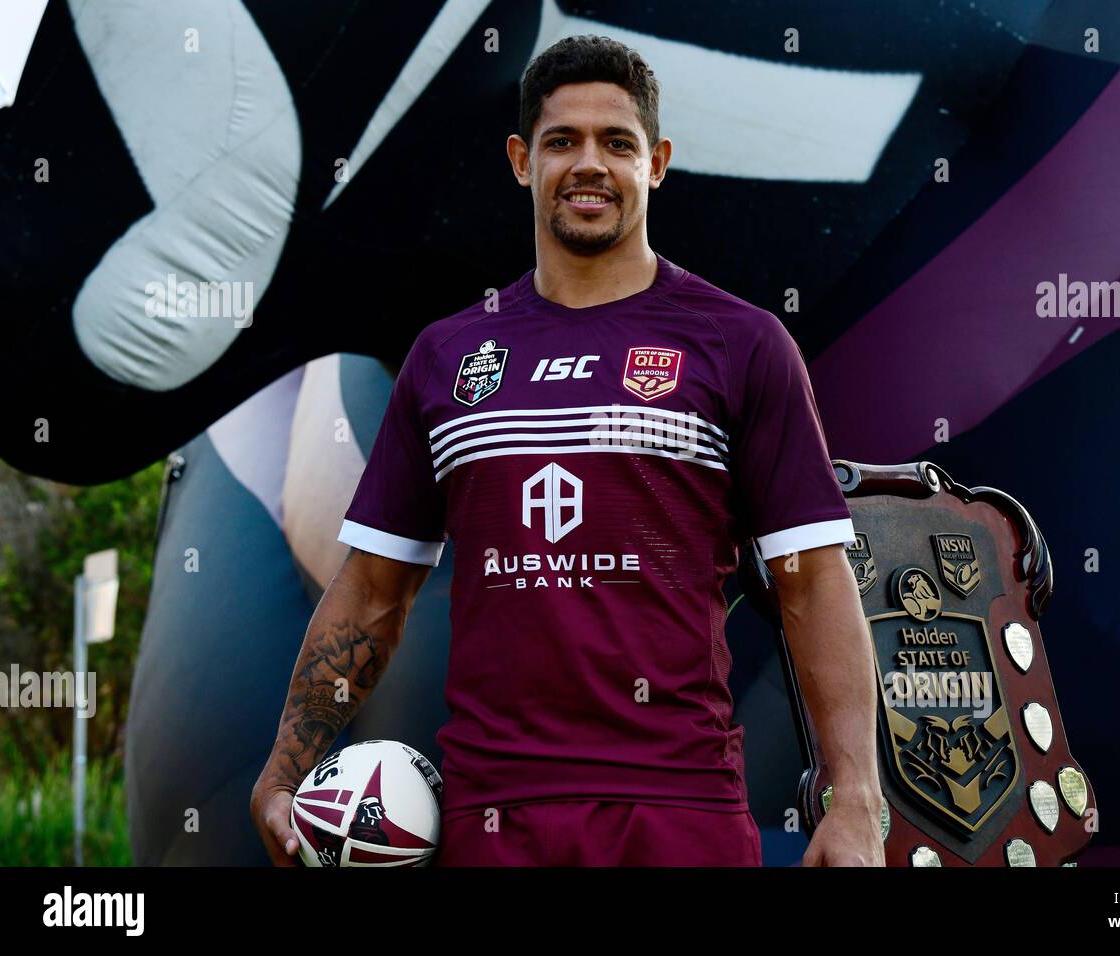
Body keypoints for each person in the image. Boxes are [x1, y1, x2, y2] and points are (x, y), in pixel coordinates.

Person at [251, 34, 885, 867]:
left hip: (679, 808)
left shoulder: (743, 344)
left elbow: (812, 585)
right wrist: (283, 770)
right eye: (562, 141)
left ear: (656, 163)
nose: (590, 163)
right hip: (492, 817)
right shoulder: (447, 357)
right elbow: (372, 591)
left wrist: (856, 799)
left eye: (617, 143)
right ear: (522, 161)